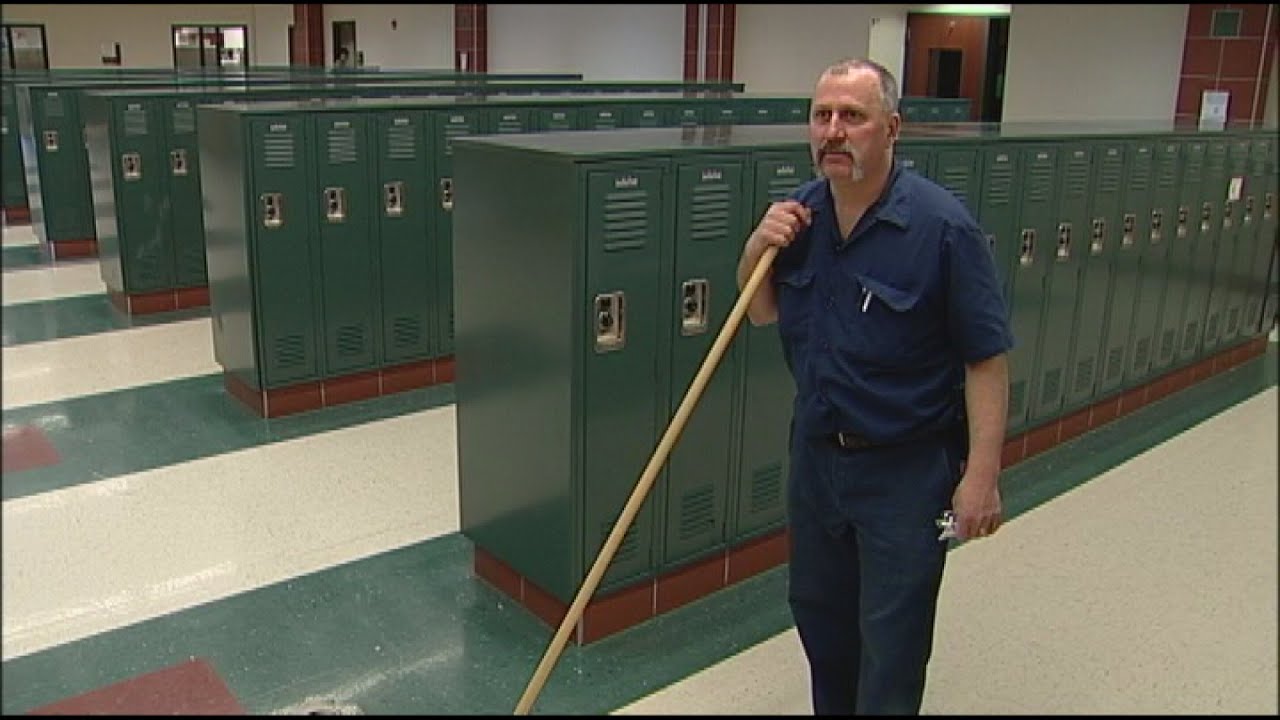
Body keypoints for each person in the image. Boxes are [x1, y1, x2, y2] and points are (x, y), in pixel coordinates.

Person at [735, 58, 1013, 715]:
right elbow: (759, 310)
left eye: (852, 117)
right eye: (822, 116)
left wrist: (982, 476)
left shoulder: (942, 229)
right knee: (821, 620)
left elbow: (986, 359)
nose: (833, 131)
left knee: (892, 639)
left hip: (905, 469)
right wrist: (755, 247)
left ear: (891, 129)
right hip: (818, 459)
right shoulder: (799, 218)